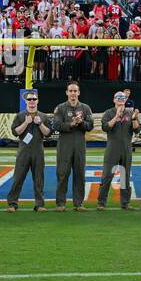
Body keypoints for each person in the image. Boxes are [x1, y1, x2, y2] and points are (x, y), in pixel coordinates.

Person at [52, 81, 94, 211]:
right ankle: (61, 203)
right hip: (65, 145)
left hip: (80, 146)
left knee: (80, 174)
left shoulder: (85, 108)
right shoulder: (60, 108)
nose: (73, 93)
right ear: (67, 93)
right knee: (62, 174)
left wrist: (81, 123)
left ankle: (78, 203)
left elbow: (90, 126)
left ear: (79, 93)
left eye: (75, 91)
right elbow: (56, 126)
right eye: (71, 91)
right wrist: (71, 124)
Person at [7, 91, 51, 212]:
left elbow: (48, 133)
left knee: (39, 179)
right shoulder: (20, 116)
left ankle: (39, 204)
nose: (32, 101)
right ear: (25, 101)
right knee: (18, 178)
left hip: (38, 150)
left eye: (34, 99)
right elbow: (15, 132)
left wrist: (40, 123)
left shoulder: (43, 116)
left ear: (37, 100)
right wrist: (26, 123)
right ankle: (12, 203)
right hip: (24, 151)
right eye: (29, 99)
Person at [97, 92, 140, 210]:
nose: (121, 99)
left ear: (126, 100)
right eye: (118, 97)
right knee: (107, 176)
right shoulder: (108, 113)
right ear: (114, 100)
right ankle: (101, 202)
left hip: (126, 148)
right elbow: (105, 127)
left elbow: (137, 130)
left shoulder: (130, 112)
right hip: (112, 148)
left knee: (125, 177)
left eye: (123, 98)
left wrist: (135, 117)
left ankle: (125, 203)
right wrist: (116, 116)